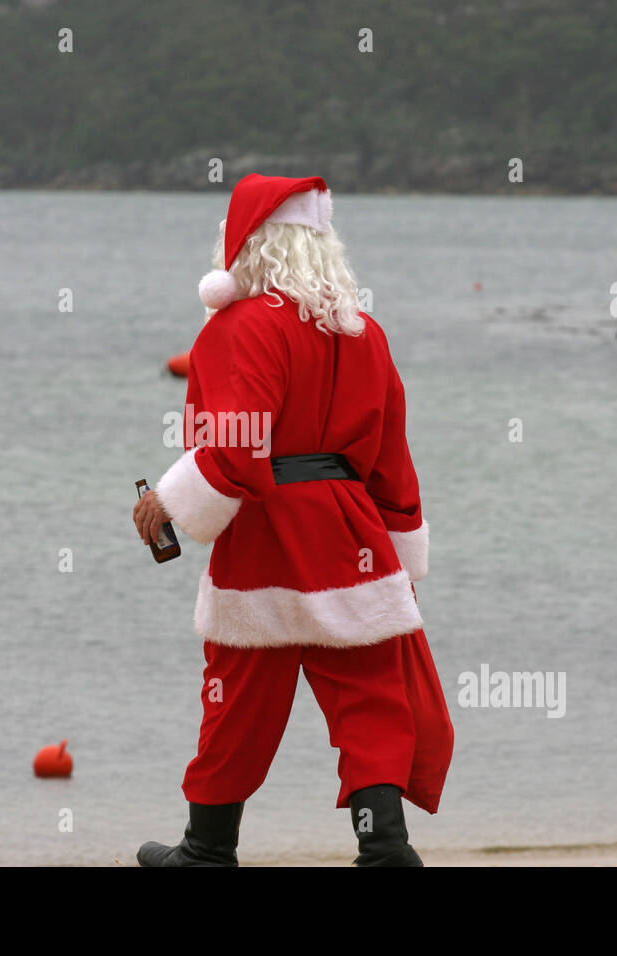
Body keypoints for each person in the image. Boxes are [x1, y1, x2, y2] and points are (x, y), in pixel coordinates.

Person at [132, 174, 454, 867]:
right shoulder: (364, 333)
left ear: (245, 244)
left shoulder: (237, 327)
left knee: (237, 696)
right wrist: (400, 557)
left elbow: (240, 456)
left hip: (266, 535)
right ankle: (386, 848)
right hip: (353, 535)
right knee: (371, 697)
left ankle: (207, 851)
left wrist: (170, 502)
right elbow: (393, 459)